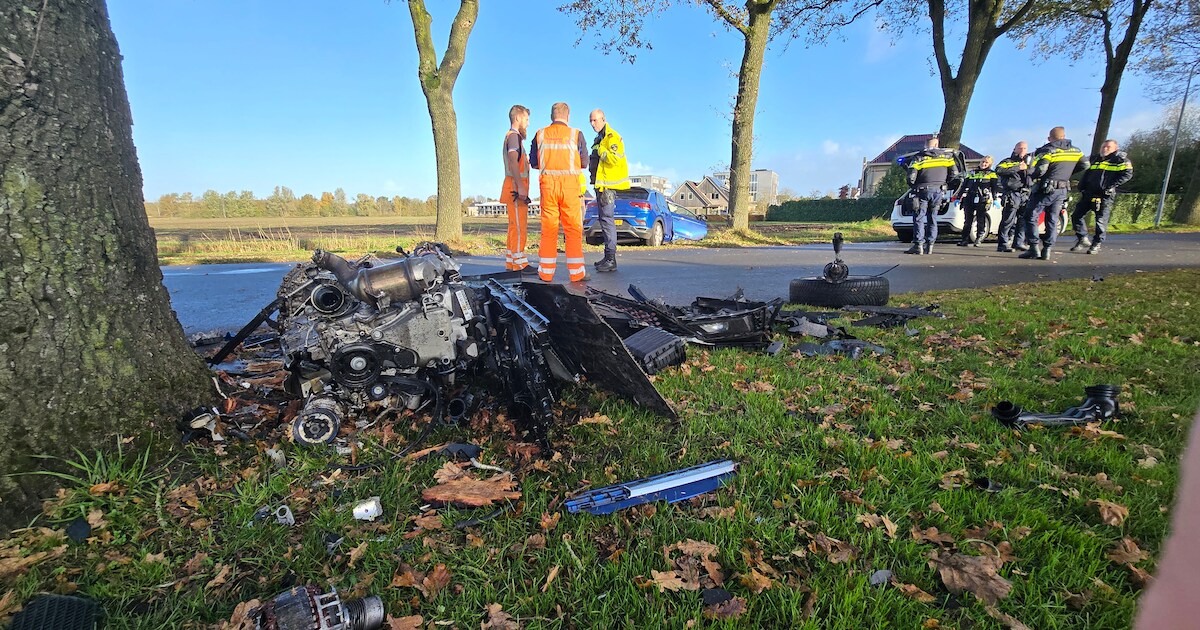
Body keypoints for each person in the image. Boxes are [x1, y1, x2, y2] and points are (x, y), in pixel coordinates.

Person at [529, 102, 590, 283]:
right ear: (568, 116)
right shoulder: (576, 134)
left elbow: (534, 163)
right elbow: (584, 162)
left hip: (548, 187)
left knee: (549, 230)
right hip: (570, 187)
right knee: (572, 229)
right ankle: (577, 273)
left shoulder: (540, 134)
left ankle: (546, 273)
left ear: (551, 116)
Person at [1018, 127, 1089, 260]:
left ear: (1050, 138)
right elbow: (1085, 165)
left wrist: (1029, 172)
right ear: (1064, 136)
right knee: (1052, 219)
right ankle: (1047, 249)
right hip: (1062, 189)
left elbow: (1041, 170)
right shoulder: (1076, 151)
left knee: (1030, 215)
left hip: (1045, 189)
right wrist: (1067, 174)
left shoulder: (1048, 150)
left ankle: (1033, 248)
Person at [1070, 139, 1133, 255]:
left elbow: (1127, 174)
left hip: (1104, 196)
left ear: (1115, 148)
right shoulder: (1095, 159)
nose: (1104, 149)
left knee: (1100, 220)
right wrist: (1081, 186)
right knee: (1076, 216)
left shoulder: (1120, 160)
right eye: (1103, 147)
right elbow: (1087, 173)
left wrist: (1110, 186)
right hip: (1088, 193)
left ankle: (1096, 243)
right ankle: (1082, 238)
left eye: (1108, 147)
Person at [588, 109, 630, 273]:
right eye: (590, 121)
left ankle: (611, 258)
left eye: (595, 120)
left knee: (607, 219)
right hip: (601, 186)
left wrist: (601, 151)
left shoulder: (611, 137)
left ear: (603, 119)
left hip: (608, 187)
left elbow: (614, 158)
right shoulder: (599, 138)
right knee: (604, 220)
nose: (592, 124)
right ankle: (607, 257)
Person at [903, 137, 960, 255]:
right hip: (938, 192)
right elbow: (954, 175)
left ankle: (918, 245)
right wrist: (945, 184)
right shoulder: (947, 158)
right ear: (937, 144)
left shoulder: (919, 157)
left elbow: (911, 176)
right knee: (933, 218)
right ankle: (930, 245)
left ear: (926, 145)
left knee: (919, 217)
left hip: (922, 190)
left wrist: (914, 186)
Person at [501, 105, 532, 272]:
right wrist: (521, 187)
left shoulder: (511, 137)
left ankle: (512, 262)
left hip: (512, 187)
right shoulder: (514, 137)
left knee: (514, 226)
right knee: (519, 227)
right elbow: (513, 161)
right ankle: (520, 263)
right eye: (526, 119)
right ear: (518, 118)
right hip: (515, 189)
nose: (528, 123)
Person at [994, 142, 1032, 252]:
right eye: (1020, 148)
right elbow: (999, 170)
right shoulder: (1007, 162)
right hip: (1012, 193)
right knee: (1008, 219)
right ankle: (1003, 244)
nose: (1022, 150)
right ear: (1014, 149)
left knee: (1022, 220)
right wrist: (1017, 167)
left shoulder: (1030, 162)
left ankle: (1019, 242)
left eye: (1024, 148)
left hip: (1025, 193)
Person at [957, 155, 997, 247]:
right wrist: (959, 197)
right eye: (982, 162)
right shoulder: (972, 172)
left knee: (980, 219)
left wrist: (995, 199)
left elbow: (994, 188)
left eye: (986, 162)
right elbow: (963, 186)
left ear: (990, 164)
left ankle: (978, 238)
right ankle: (964, 239)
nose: (983, 164)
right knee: (967, 220)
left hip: (982, 199)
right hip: (970, 197)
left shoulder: (991, 174)